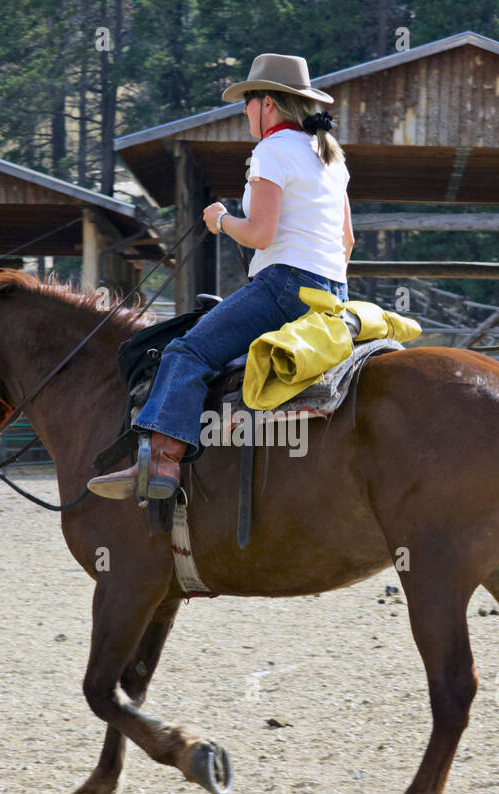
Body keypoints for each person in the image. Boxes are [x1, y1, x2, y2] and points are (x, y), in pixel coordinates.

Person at [88, 53, 354, 500]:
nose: (244, 111)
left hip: (284, 287)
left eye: (248, 102)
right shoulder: (331, 157)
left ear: (267, 103)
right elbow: (346, 241)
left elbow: (261, 234)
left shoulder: (271, 150)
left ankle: (163, 464)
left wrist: (221, 220)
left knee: (186, 352)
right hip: (333, 294)